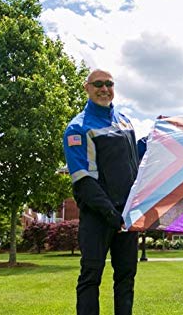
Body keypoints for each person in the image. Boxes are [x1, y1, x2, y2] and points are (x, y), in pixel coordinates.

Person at [63, 69, 143, 315]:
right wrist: (111, 214)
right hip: (98, 217)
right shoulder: (77, 129)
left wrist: (155, 138)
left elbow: (134, 164)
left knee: (126, 278)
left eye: (109, 83)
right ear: (86, 87)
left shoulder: (125, 121)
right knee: (90, 278)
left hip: (126, 216)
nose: (104, 88)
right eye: (98, 83)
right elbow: (83, 181)